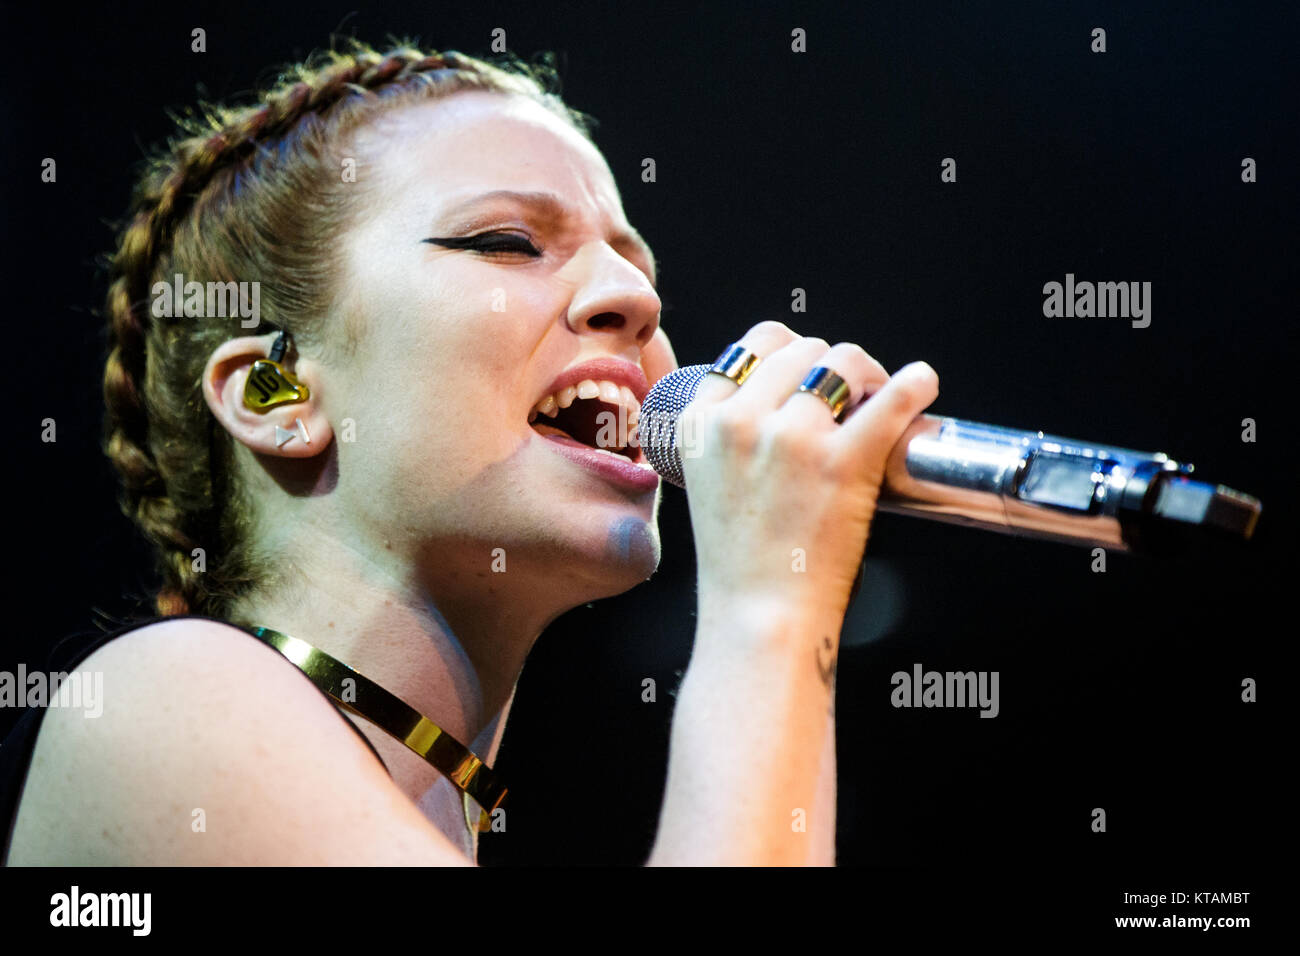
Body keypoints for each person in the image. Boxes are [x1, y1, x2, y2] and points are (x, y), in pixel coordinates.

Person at [1, 42, 938, 866]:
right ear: (275, 395)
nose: (635, 300)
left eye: (637, 266)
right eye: (507, 242)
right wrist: (769, 601)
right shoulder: (166, 698)